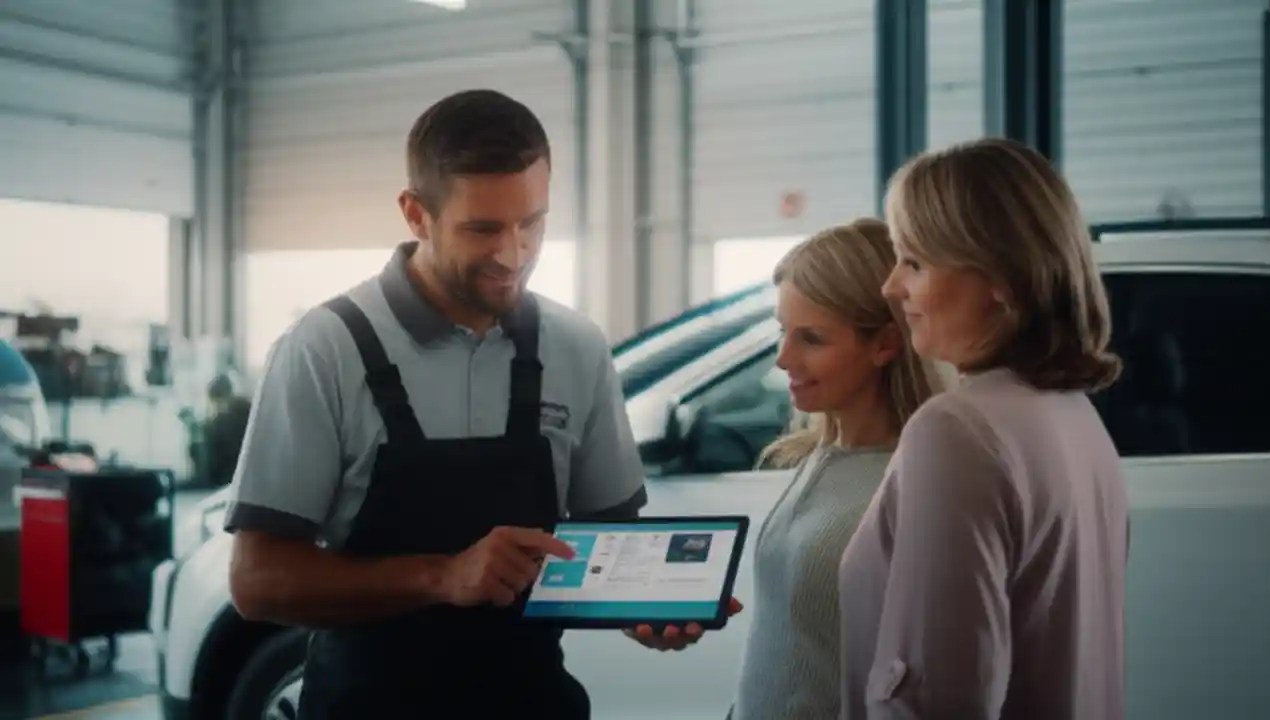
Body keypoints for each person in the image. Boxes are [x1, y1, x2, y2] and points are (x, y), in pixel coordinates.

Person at [224, 89, 648, 719]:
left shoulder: (577, 348)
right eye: (483, 229)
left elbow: (610, 540)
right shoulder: (326, 348)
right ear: (416, 213)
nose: (514, 254)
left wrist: (650, 605)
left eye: (532, 223)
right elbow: (256, 583)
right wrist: (443, 576)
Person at [839, 137, 1128, 720]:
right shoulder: (1073, 414)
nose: (891, 286)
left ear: (999, 277)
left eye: (914, 262)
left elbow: (932, 697)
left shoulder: (957, 429)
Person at [627, 220, 937, 720]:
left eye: (811, 339)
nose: (782, 358)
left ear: (883, 344)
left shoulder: (911, 485)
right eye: (782, 332)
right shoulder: (822, 456)